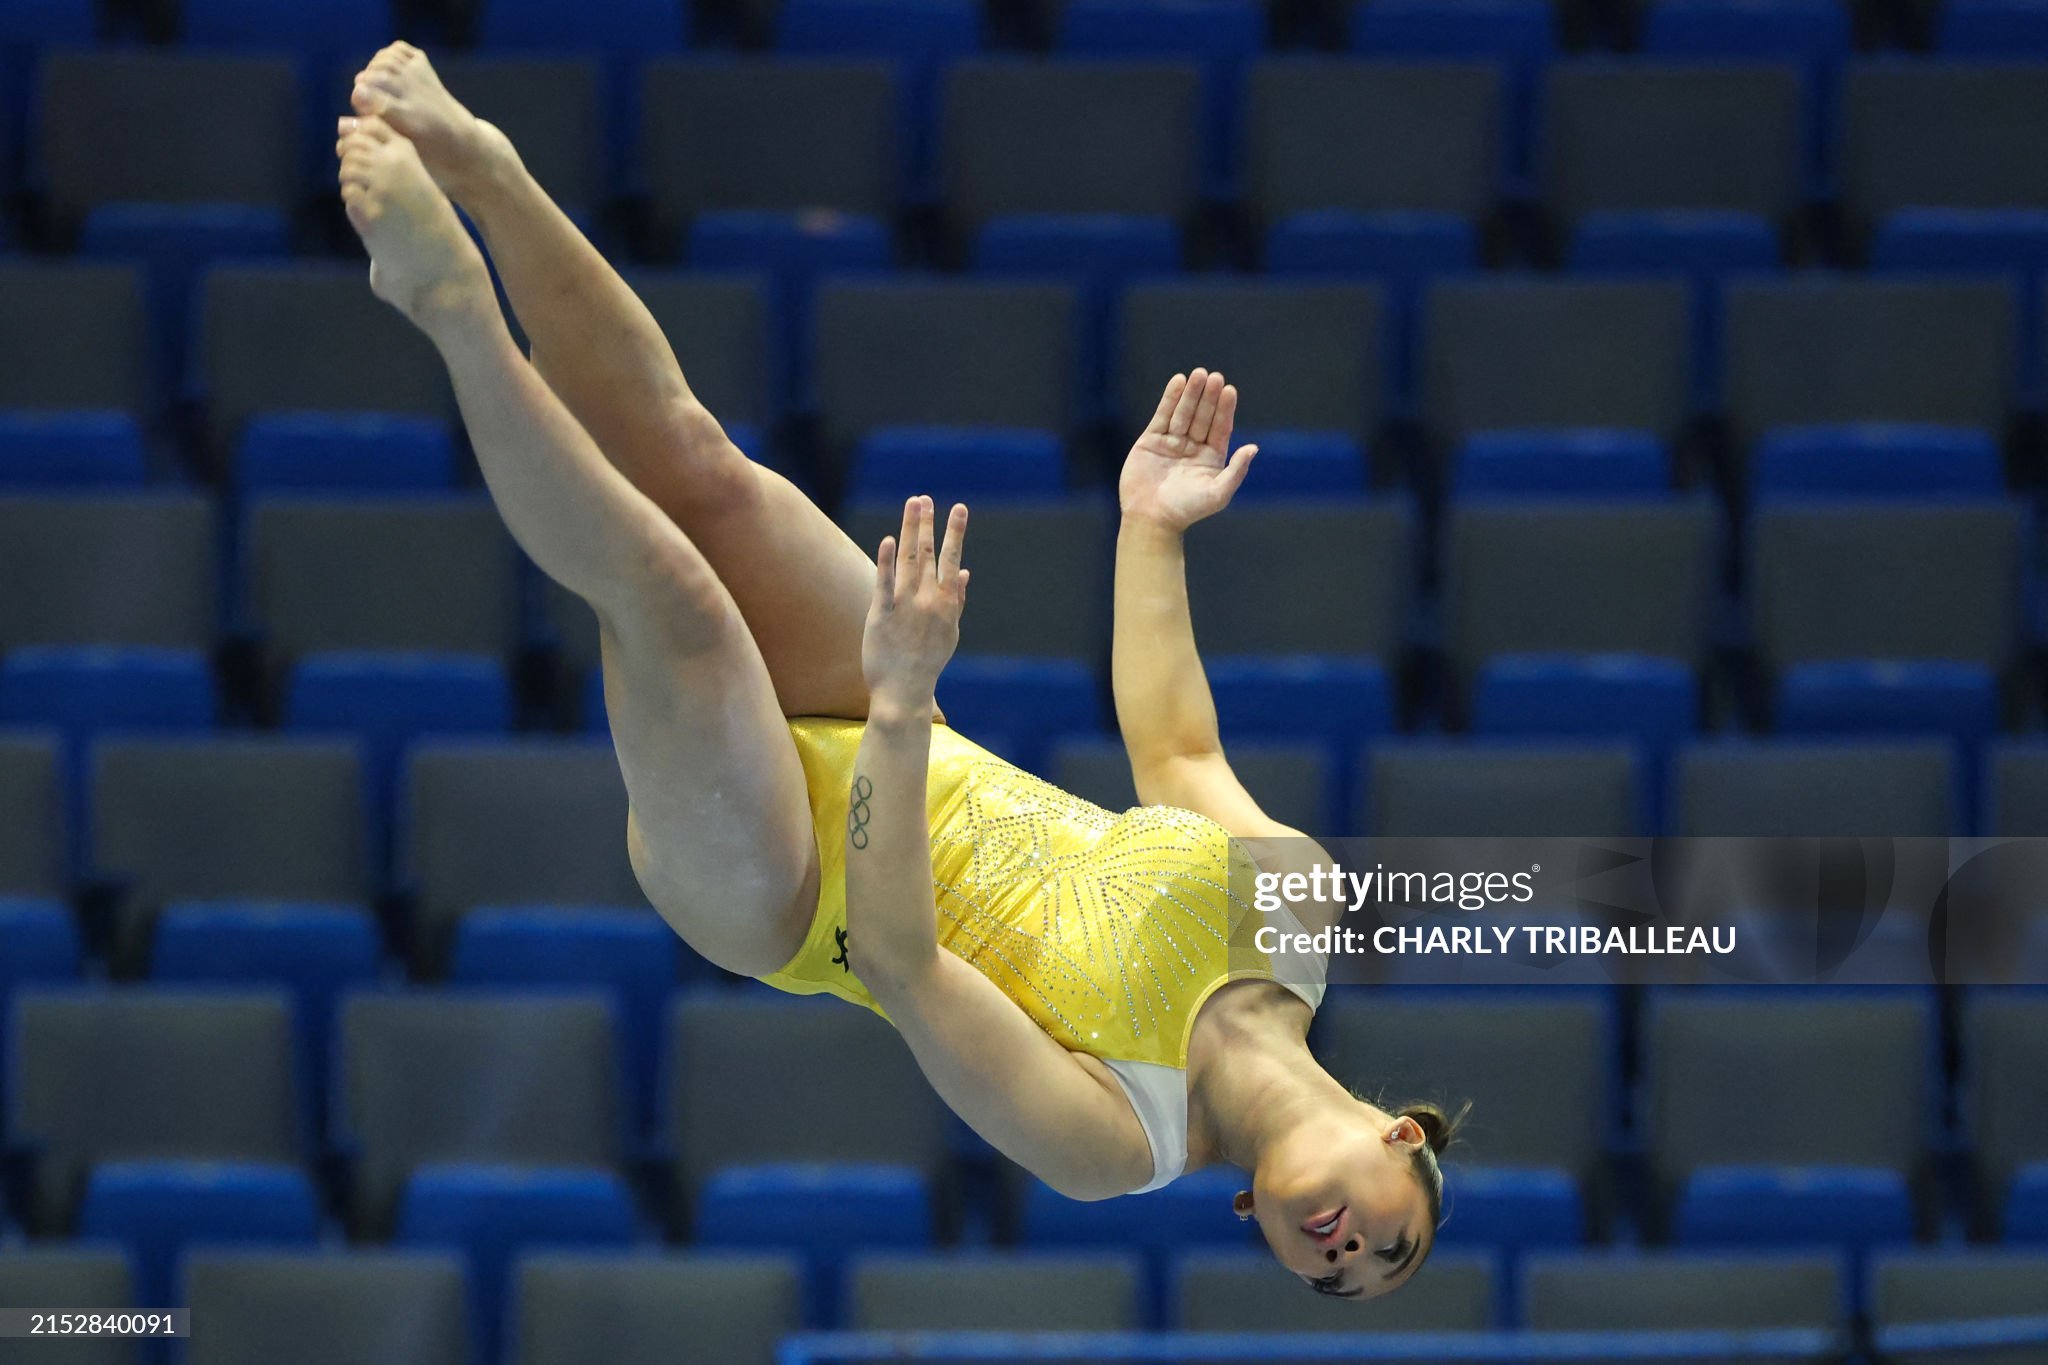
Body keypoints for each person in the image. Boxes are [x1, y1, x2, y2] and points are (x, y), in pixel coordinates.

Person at [336, 42, 1461, 1301]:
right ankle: (490, 173)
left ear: (1250, 1214)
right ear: (1397, 1137)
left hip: (792, 888)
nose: (1346, 1255)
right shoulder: (1297, 913)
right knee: (701, 467)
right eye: (1389, 1242)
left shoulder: (1117, 1146)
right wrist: (1149, 527)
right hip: (885, 720)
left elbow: (899, 960)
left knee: (677, 604)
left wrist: (902, 700)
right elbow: (1178, 754)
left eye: (1333, 1280)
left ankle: (448, 308)